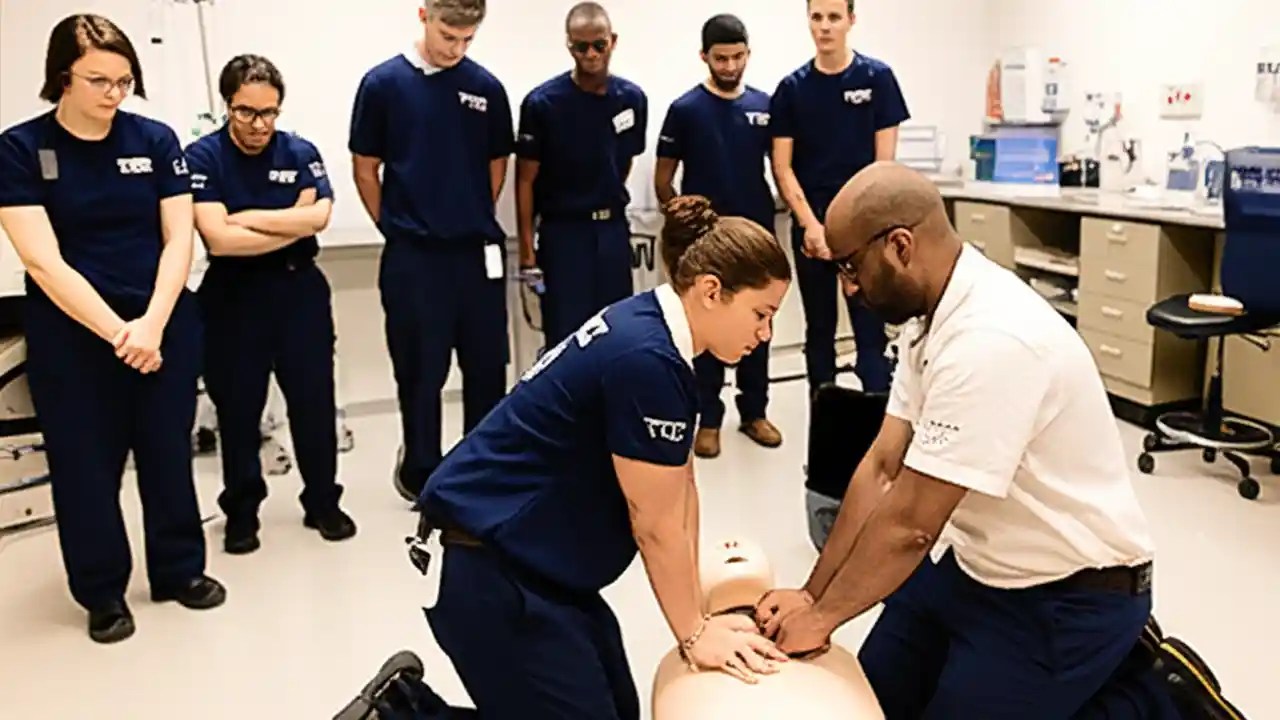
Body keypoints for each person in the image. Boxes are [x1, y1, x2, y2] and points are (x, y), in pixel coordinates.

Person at [754, 162, 1232, 719]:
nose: (849, 288)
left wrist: (822, 620)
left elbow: (910, 523)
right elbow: (883, 468)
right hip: (972, 565)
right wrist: (813, 597)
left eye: (851, 267)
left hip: (1068, 595)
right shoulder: (928, 318)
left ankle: (1144, 696)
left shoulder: (993, 341)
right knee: (872, 699)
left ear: (901, 246)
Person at [417, 196, 792, 718]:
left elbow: (681, 489)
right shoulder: (647, 360)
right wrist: (693, 633)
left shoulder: (656, 335)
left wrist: (701, 616)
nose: (765, 334)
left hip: (547, 568)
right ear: (712, 291)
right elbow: (654, 523)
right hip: (494, 571)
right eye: (761, 314)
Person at [0, 13, 225, 644]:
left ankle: (180, 570)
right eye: (98, 79)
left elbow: (179, 236)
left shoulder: (153, 139)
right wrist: (118, 333)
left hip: (160, 321)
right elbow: (41, 260)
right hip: (74, 335)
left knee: (166, 452)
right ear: (61, 78)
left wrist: (152, 324)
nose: (113, 93)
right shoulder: (20, 149)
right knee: (84, 467)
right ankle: (101, 591)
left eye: (124, 80)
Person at [186, 54, 356, 554]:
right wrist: (290, 219)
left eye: (269, 113)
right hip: (233, 296)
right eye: (246, 112)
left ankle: (323, 501)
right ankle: (242, 511)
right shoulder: (203, 158)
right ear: (227, 106)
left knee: (313, 404)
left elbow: (320, 218)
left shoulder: (299, 150)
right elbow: (219, 241)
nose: (259, 125)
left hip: (298, 291)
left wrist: (248, 217)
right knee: (238, 410)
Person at [348, 0, 514, 503]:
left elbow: (496, 164)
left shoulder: (486, 88)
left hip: (476, 252)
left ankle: (481, 469)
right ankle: (421, 468)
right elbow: (365, 168)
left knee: (487, 368)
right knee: (420, 369)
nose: (456, 48)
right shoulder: (383, 85)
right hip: (414, 255)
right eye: (448, 35)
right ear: (423, 16)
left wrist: (467, 215)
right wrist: (399, 228)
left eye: (467, 39)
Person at [655, 13, 782, 459]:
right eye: (720, 58)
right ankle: (708, 419)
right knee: (708, 329)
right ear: (704, 57)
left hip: (758, 237)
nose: (729, 66)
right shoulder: (686, 110)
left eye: (737, 57)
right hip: (707, 243)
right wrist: (682, 225)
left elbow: (782, 168)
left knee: (758, 325)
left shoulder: (766, 106)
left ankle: (754, 413)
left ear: (748, 54)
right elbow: (663, 180)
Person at [770, 0, 910, 396]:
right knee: (820, 332)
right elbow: (782, 167)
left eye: (834, 17)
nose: (825, 27)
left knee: (869, 335)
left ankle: (876, 435)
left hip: (865, 227)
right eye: (817, 17)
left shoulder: (878, 79)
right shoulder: (791, 90)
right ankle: (824, 436)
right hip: (813, 226)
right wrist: (811, 226)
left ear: (851, 20)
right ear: (808, 22)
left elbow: (883, 168)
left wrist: (862, 236)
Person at [516, 1, 647, 348]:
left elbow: (624, 160)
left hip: (612, 232)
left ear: (612, 41)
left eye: (598, 45)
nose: (590, 54)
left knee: (617, 333)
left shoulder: (631, 100)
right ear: (569, 46)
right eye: (581, 46)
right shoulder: (542, 104)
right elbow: (525, 180)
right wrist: (528, 254)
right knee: (566, 339)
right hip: (564, 235)